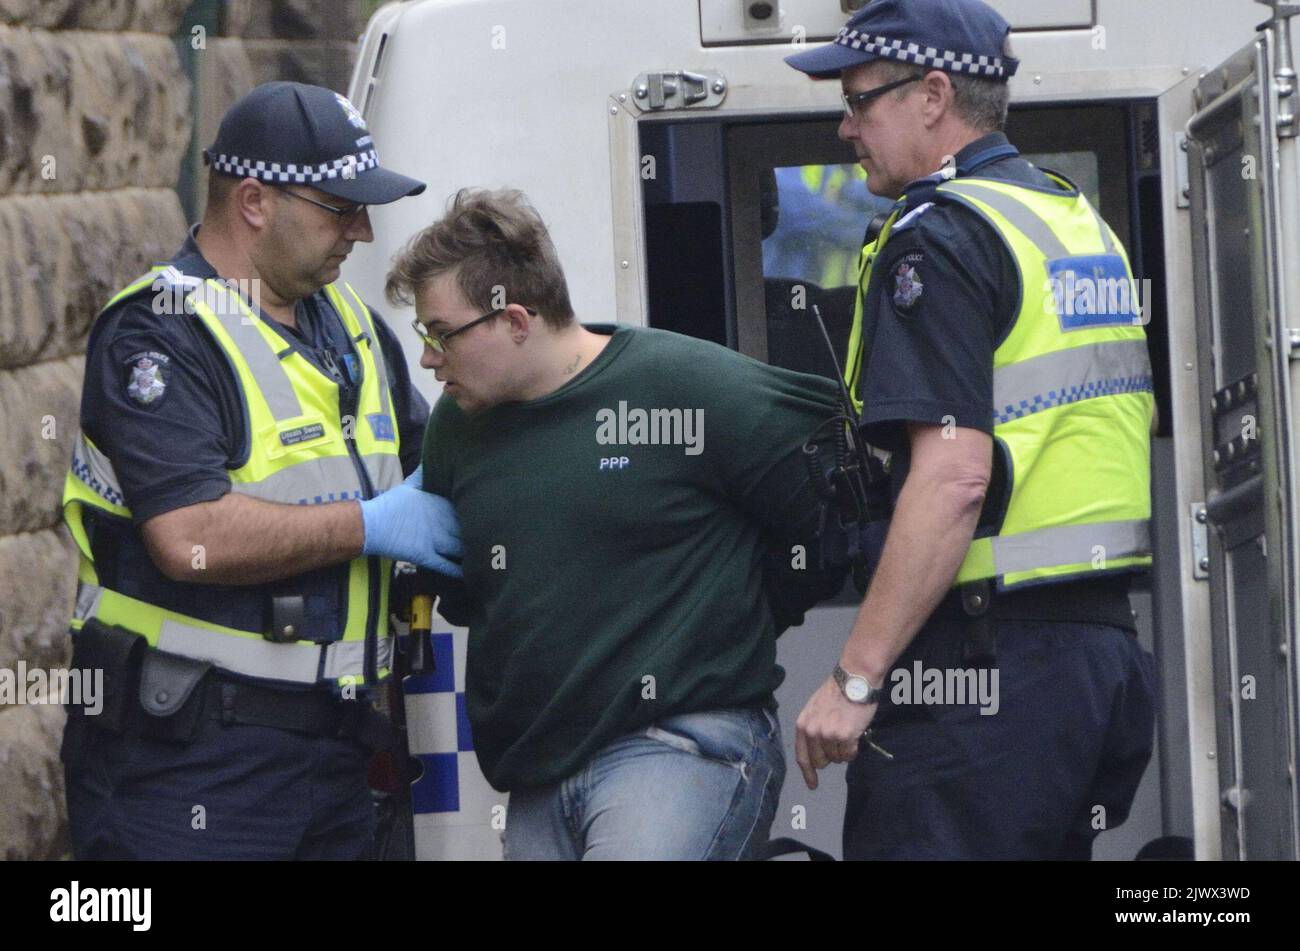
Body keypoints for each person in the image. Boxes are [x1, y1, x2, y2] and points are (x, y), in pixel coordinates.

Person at [785, 0, 1158, 859]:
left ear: (934, 94)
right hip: (1097, 659)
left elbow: (954, 478)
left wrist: (854, 676)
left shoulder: (943, 233)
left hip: (987, 667)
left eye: (859, 99)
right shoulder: (1071, 223)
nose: (845, 127)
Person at [60, 82, 463, 860]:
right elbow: (187, 536)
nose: (362, 230)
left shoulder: (348, 322)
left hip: (338, 751)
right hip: (190, 759)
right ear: (253, 200)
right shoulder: (158, 333)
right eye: (340, 208)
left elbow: (433, 458)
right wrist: (370, 525)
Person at [387, 188, 847, 860]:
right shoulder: (457, 430)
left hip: (678, 744)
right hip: (536, 776)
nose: (429, 359)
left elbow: (833, 500)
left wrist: (734, 613)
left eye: (439, 334)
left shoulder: (682, 386)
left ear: (514, 319)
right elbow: (475, 592)